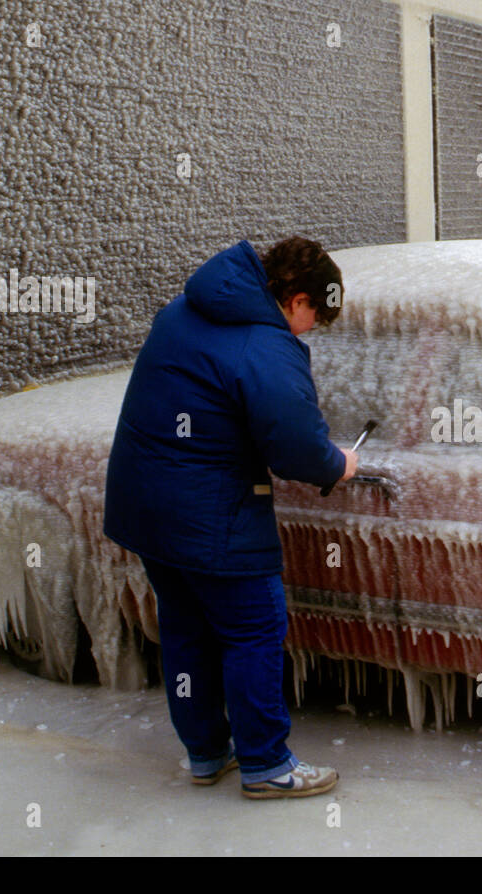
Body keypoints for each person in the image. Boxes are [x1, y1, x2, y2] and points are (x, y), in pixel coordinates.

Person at [103, 235, 356, 799]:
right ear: (296, 298)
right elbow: (295, 447)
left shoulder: (186, 308)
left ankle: (206, 753)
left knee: (185, 626)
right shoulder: (265, 345)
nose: (311, 328)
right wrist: (340, 464)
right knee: (254, 628)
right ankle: (266, 764)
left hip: (144, 504)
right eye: (315, 314)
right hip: (207, 512)